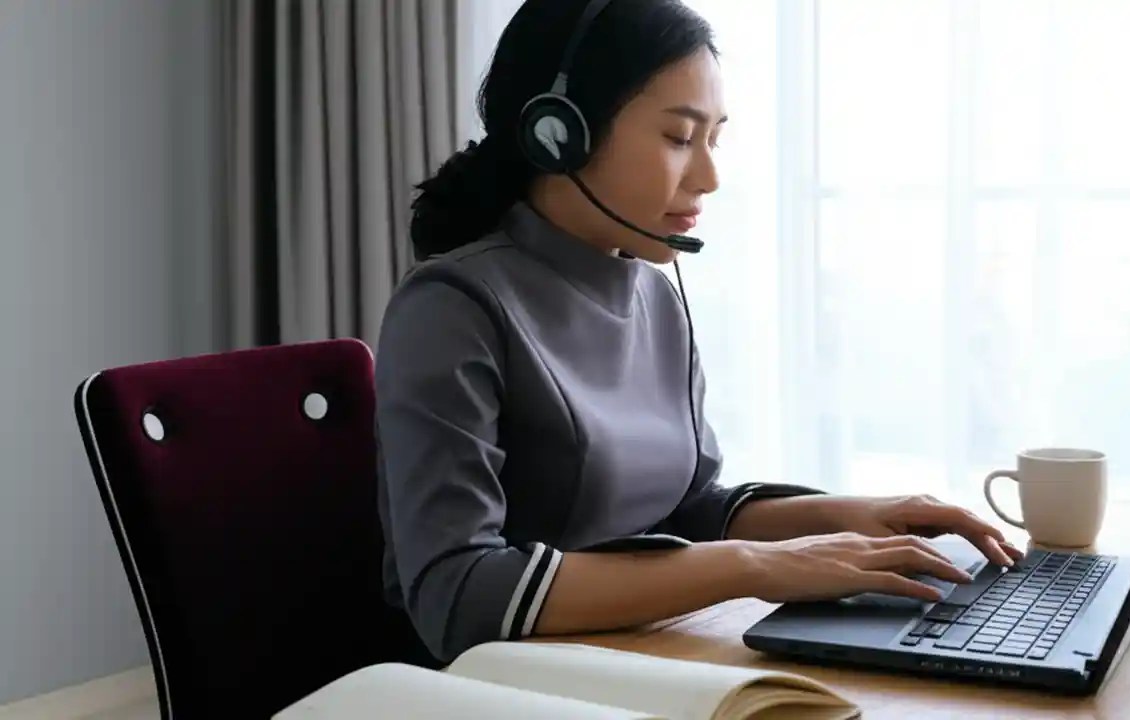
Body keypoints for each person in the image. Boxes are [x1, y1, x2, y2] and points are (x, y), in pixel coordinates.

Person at [373, 0, 1023, 667]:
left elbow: (684, 511)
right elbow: (458, 596)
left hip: (636, 660)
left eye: (714, 140)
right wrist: (754, 566)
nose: (710, 177)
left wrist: (854, 516)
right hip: (498, 689)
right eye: (681, 138)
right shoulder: (451, 308)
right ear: (558, 134)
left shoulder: (653, 292)